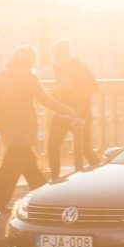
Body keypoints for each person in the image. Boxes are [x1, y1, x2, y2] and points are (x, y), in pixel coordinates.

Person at [0, 46, 72, 217]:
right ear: (30, 61)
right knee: (14, 166)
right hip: (23, 127)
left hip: (6, 126)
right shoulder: (29, 78)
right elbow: (45, 100)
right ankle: (43, 200)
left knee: (27, 166)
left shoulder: (2, 76)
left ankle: (2, 201)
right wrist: (67, 110)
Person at [46, 40, 98, 179]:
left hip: (79, 113)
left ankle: (102, 175)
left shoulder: (80, 67)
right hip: (62, 111)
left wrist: (73, 92)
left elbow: (94, 86)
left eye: (58, 54)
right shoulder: (57, 67)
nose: (56, 57)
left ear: (66, 53)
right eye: (54, 55)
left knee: (85, 149)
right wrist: (54, 93)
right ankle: (55, 177)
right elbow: (61, 87)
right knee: (52, 145)